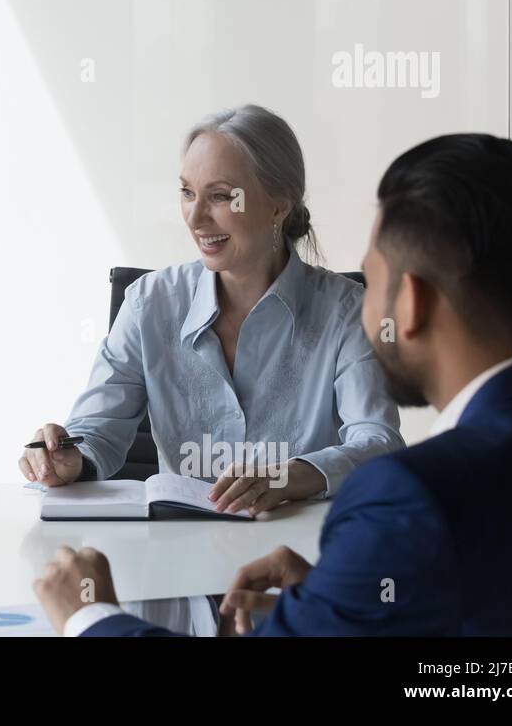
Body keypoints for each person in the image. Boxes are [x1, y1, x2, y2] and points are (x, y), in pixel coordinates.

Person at [36, 133, 512, 636]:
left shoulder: (406, 499)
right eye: (187, 192)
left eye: (373, 281)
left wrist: (90, 617)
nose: (198, 215)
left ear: (412, 302)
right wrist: (335, 604)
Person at [21, 105, 402, 633]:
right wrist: (70, 458)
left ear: (279, 206)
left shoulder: (344, 312)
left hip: (289, 577)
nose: (196, 218)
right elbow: (97, 434)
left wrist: (300, 473)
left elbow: (380, 444)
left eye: (221, 196)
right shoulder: (149, 303)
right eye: (187, 192)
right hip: (171, 573)